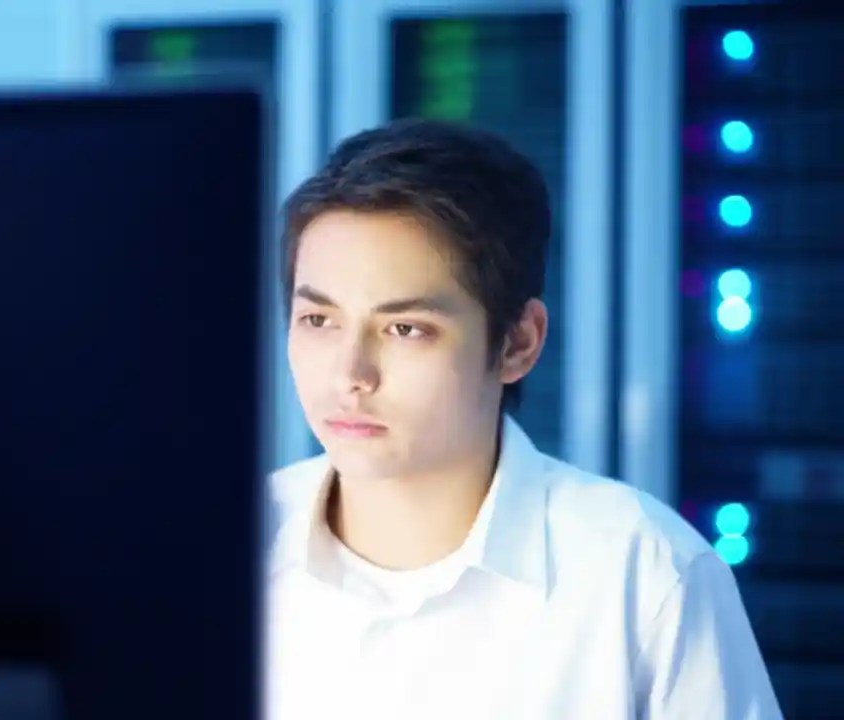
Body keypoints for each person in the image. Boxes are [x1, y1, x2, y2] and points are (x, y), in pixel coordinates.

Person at [264, 119, 781, 719]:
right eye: (318, 322)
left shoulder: (644, 575)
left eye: (405, 329)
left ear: (518, 342)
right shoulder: (221, 553)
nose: (351, 374)